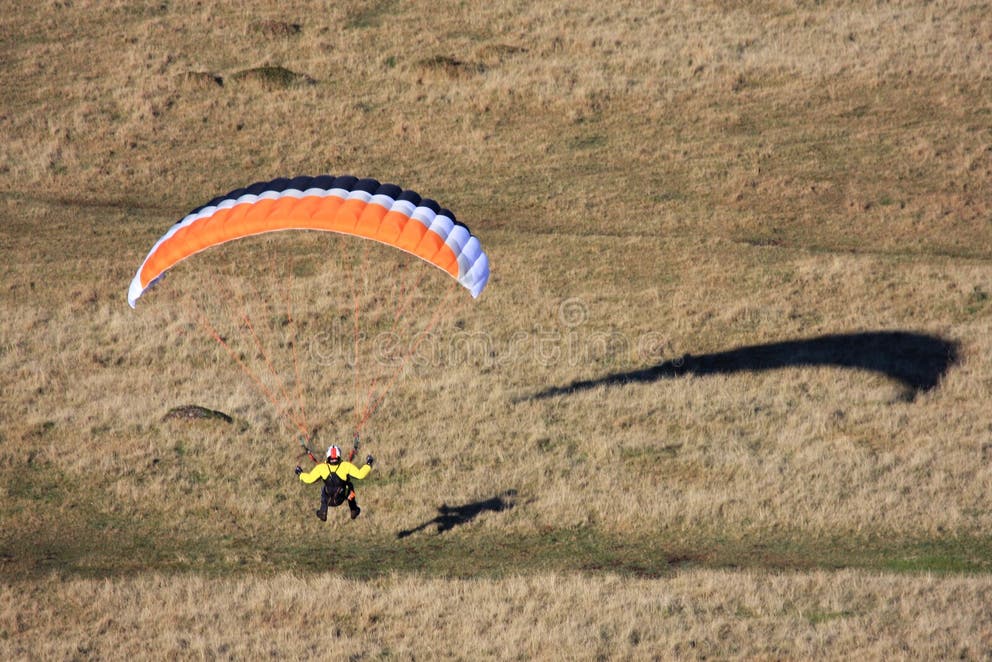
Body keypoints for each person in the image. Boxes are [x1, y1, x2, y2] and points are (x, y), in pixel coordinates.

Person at [296, 445, 374, 521]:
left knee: (324, 489)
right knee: (350, 486)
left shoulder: (322, 468)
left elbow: (309, 479)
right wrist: (368, 464)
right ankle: (353, 509)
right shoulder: (345, 466)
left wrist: (300, 474)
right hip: (340, 498)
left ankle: (323, 511)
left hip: (328, 501)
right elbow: (360, 475)